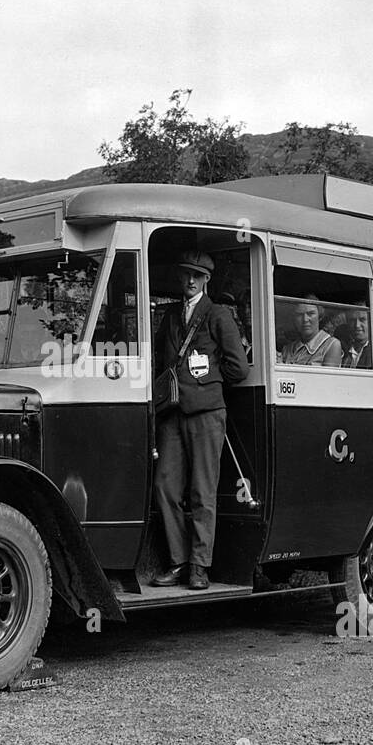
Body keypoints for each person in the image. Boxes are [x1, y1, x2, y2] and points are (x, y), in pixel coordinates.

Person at [151, 251, 248, 591]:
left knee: (202, 492)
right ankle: (178, 560)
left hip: (207, 414)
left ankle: (199, 567)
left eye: (197, 275)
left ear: (207, 279)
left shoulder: (217, 314)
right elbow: (160, 360)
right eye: (186, 274)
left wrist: (205, 382)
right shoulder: (172, 315)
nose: (190, 280)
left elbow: (239, 368)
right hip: (172, 414)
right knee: (165, 486)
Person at [278, 296, 343, 366]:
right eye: (299, 315)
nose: (305, 319)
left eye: (311, 314)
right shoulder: (288, 349)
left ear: (320, 316)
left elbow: (329, 377)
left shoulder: (331, 345)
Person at [341, 303, 372, 369]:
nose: (357, 325)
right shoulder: (343, 350)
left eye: (362, 319)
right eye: (352, 320)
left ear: (370, 321)